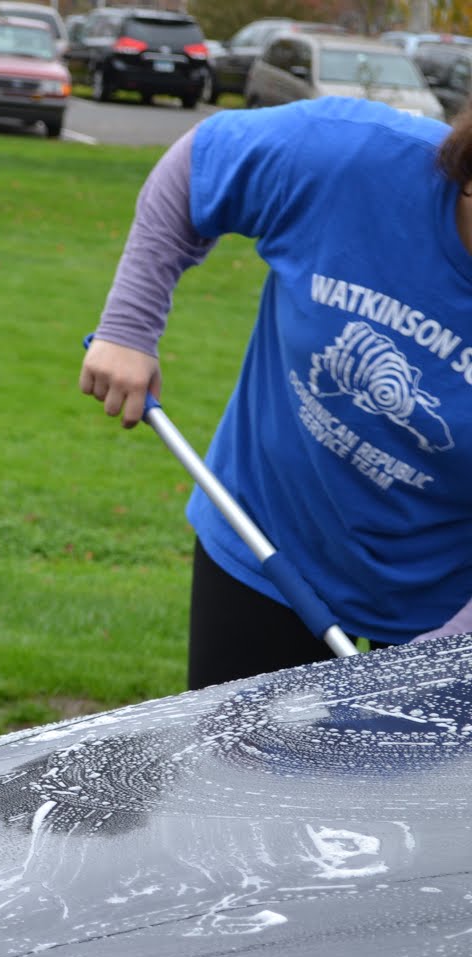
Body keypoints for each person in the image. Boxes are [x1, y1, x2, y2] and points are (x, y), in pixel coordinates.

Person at [79, 96, 472, 691]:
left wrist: (433, 662)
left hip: (443, 598)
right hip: (267, 539)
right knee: (240, 751)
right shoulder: (351, 156)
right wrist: (129, 326)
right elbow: (200, 164)